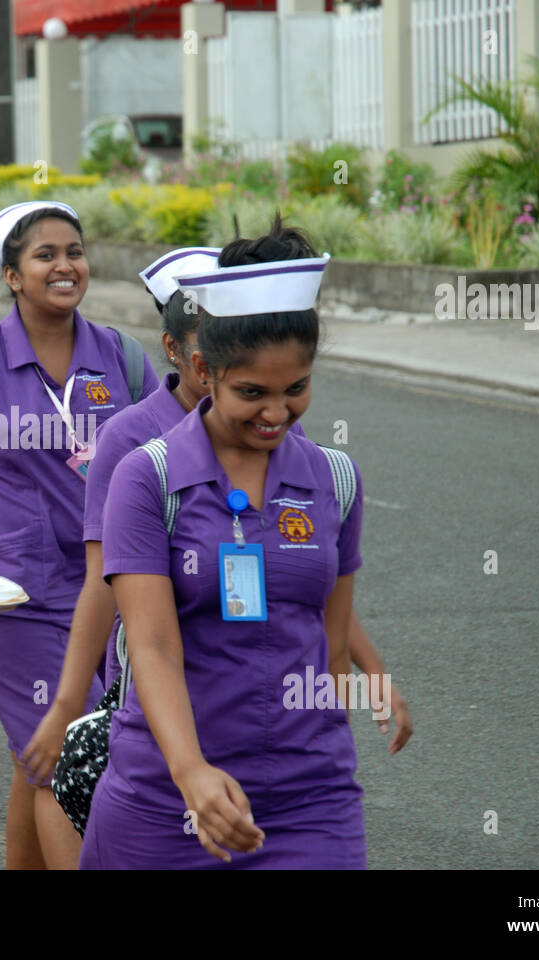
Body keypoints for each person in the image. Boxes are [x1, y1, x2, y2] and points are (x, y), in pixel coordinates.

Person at [23, 241, 411, 796]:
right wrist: (67, 702)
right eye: (213, 358)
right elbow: (101, 584)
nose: (270, 406)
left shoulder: (274, 428)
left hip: (269, 697)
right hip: (164, 689)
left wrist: (368, 670)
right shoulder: (131, 443)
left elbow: (308, 580)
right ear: (181, 354)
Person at [80, 222, 372, 869]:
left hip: (309, 801)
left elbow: (333, 638)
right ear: (204, 370)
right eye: (252, 393)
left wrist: (330, 749)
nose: (277, 412)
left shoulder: (337, 480)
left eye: (296, 388)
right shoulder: (146, 477)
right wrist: (190, 773)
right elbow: (150, 645)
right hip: (167, 801)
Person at [0, 201, 156, 869]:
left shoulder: (123, 360)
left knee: (41, 750)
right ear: (12, 276)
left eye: (74, 251)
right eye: (44, 255)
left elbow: (159, 464)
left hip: (105, 597)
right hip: (7, 603)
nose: (65, 265)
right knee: (67, 755)